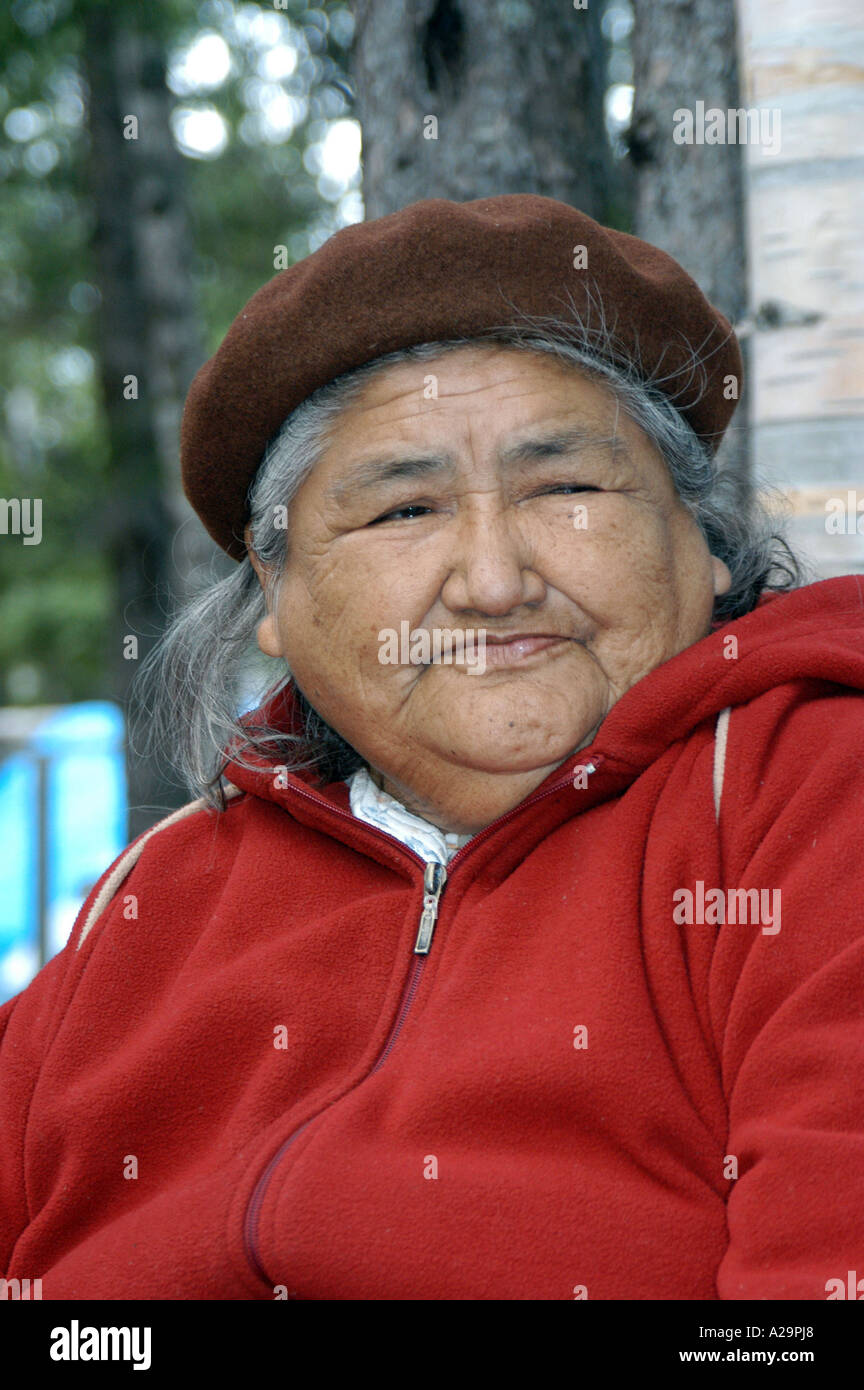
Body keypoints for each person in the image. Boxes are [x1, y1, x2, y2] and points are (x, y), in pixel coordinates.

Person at [2, 195, 863, 1301]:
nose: (495, 580)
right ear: (278, 594)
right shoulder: (156, 896)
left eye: (568, 489)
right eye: (405, 510)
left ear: (697, 541)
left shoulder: (801, 788)